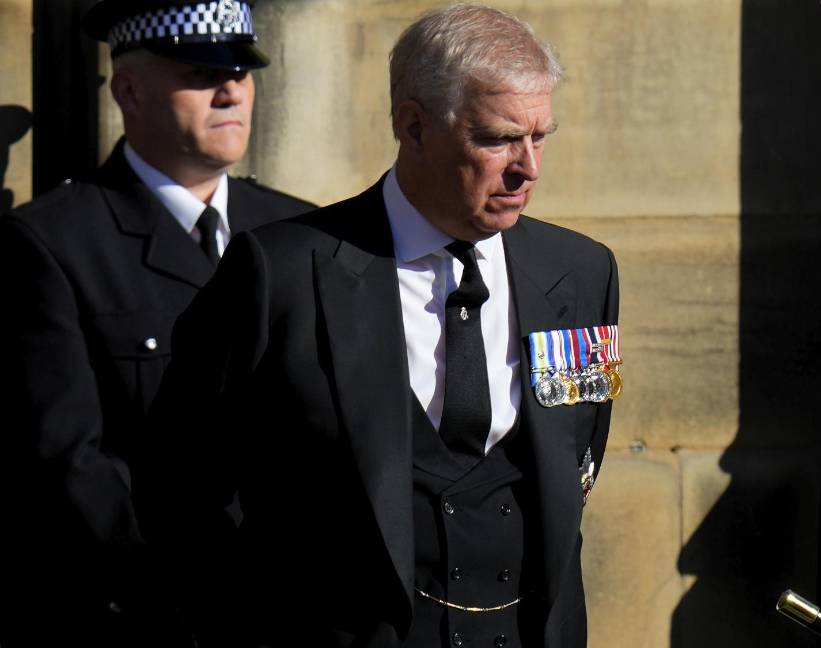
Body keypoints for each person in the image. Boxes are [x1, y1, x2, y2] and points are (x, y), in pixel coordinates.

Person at [134, 4, 621, 647]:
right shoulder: (281, 272)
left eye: (540, 137)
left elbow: (579, 455)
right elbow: (181, 491)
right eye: (498, 139)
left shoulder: (581, 273)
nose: (527, 167)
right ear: (413, 127)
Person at [0, 1, 313, 645]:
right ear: (129, 91)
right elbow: (67, 457)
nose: (230, 88)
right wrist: (187, 591)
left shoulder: (302, 232)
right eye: (200, 71)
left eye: (242, 70)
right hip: (151, 611)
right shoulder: (52, 242)